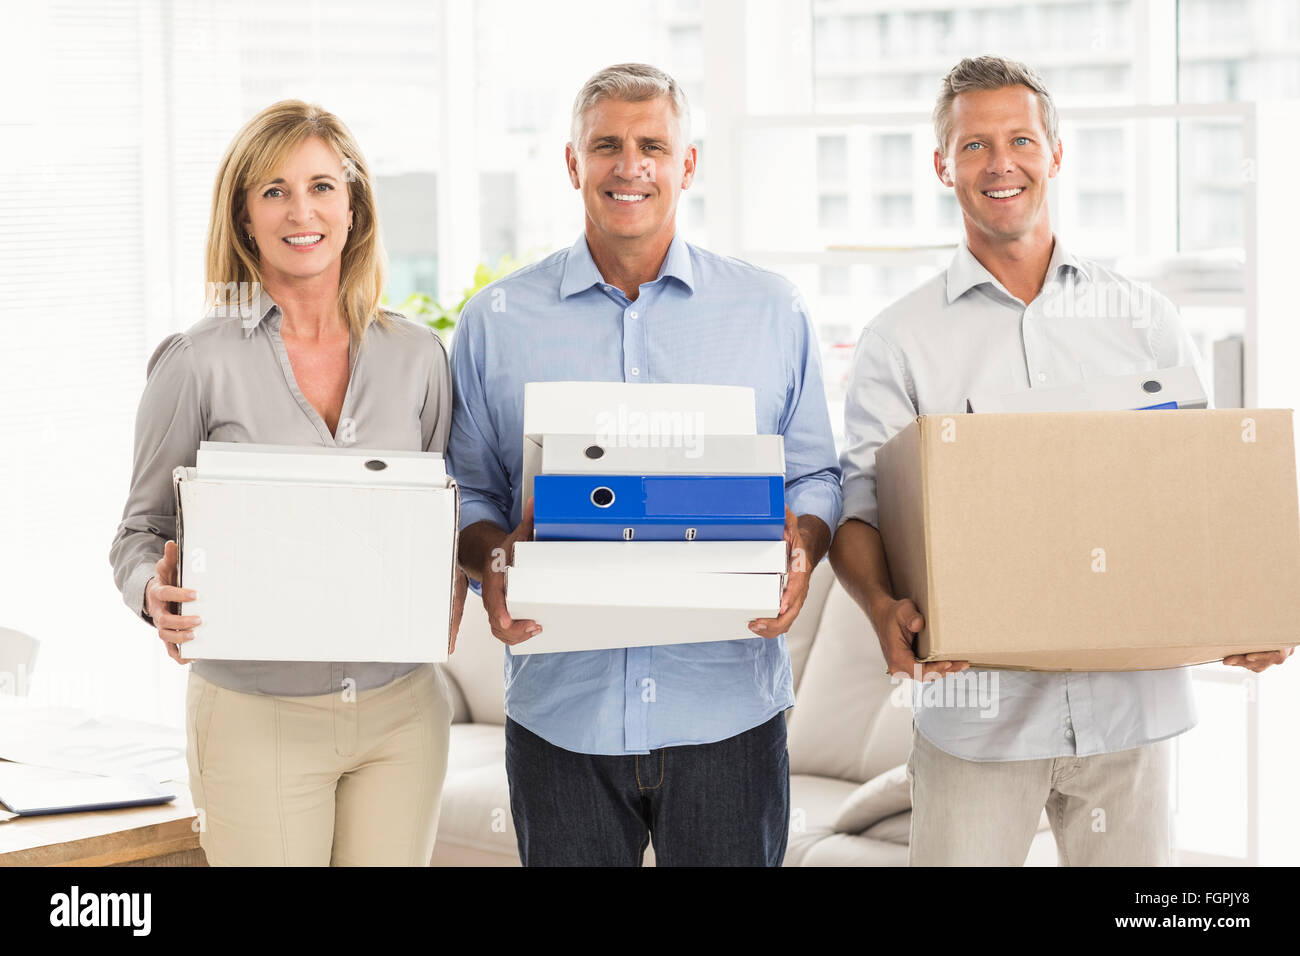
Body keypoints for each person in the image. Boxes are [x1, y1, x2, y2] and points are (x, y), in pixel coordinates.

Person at [830, 55, 1292, 867]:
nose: (999, 164)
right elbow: (860, 505)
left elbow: (1201, 492)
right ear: (942, 165)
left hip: (1131, 717)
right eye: (974, 146)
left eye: (1020, 139)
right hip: (977, 715)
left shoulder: (1143, 319)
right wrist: (878, 608)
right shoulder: (899, 339)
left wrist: (1251, 611)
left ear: (1056, 151)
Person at [446, 63, 841, 866]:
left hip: (727, 710)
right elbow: (466, 492)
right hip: (562, 712)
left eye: (653, 145)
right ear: (572, 164)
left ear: (686, 164)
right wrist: (492, 562)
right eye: (608, 146)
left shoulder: (771, 310)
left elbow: (815, 477)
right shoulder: (496, 321)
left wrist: (802, 547)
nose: (631, 166)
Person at [109, 100, 463, 866]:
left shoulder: (420, 356)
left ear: (353, 202)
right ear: (243, 217)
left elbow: (442, 517)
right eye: (273, 191)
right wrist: (152, 593)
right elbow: (137, 534)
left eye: (322, 187)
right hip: (254, 715)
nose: (301, 211)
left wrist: (457, 582)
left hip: (403, 712)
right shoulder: (196, 361)